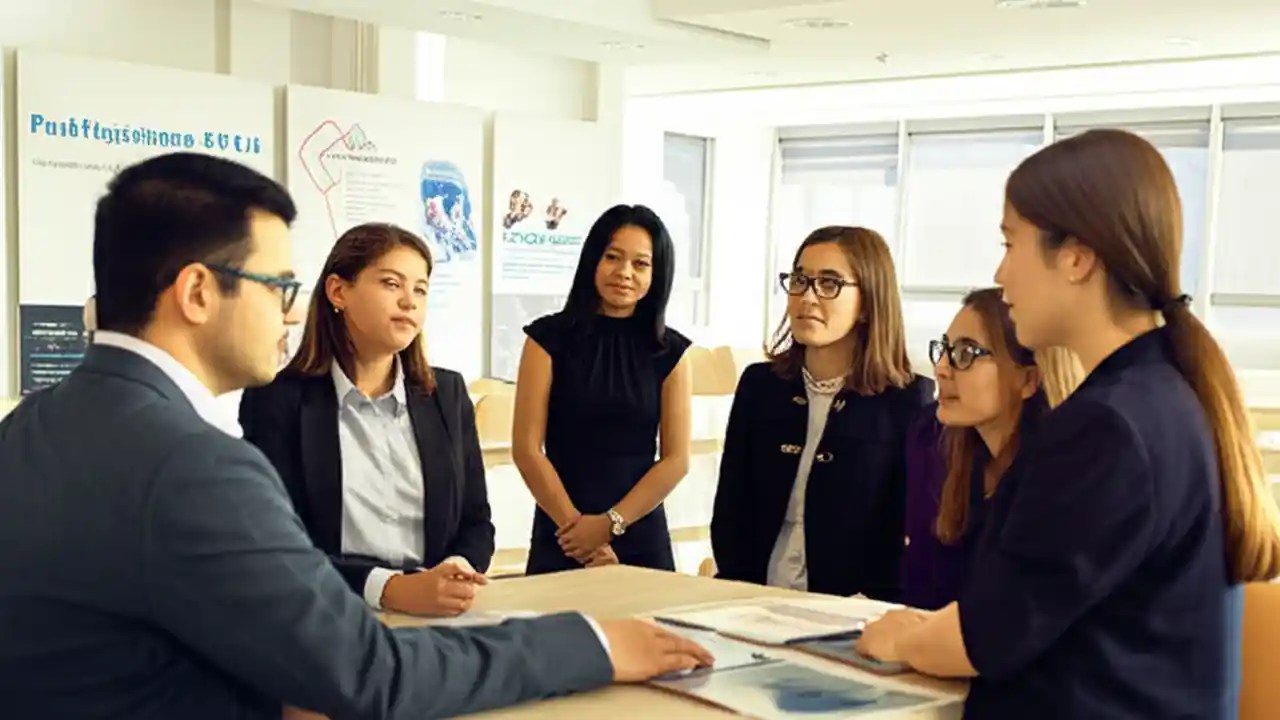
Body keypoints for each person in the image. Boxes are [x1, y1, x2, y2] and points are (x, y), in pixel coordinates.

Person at [0, 152, 712, 719]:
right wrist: (589, 643)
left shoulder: (31, 425)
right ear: (196, 293)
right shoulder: (194, 464)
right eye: (277, 286)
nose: (288, 313)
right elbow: (369, 674)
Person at [857, 129, 1280, 719]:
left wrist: (899, 638)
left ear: (1077, 257)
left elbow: (987, 635)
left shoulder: (1106, 426)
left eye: (1011, 243)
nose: (1001, 275)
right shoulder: (1166, 392)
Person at [239, 222, 495, 618]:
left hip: (437, 614)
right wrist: (390, 589)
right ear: (338, 291)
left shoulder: (447, 393)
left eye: (421, 289)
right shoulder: (277, 399)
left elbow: (476, 522)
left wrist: (459, 568)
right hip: (329, 611)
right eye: (392, 284)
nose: (410, 301)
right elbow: (277, 543)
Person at [710, 226, 934, 599]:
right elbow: (731, 505)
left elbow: (904, 527)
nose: (807, 297)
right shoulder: (761, 385)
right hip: (751, 597)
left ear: (868, 301)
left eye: (829, 284)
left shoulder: (908, 400)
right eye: (799, 280)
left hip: (852, 610)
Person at [513, 204, 692, 575]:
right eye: (613, 257)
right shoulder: (547, 340)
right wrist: (579, 533)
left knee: (651, 633)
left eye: (641, 264)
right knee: (559, 634)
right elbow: (527, 450)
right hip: (562, 530)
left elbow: (676, 460)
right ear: (593, 259)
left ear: (656, 274)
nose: (624, 273)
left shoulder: (670, 352)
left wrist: (609, 524)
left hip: (640, 531)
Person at [899, 288, 1081, 610]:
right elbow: (923, 587)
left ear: (1029, 380)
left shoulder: (1064, 473)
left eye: (965, 354)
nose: (941, 368)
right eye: (944, 349)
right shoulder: (934, 438)